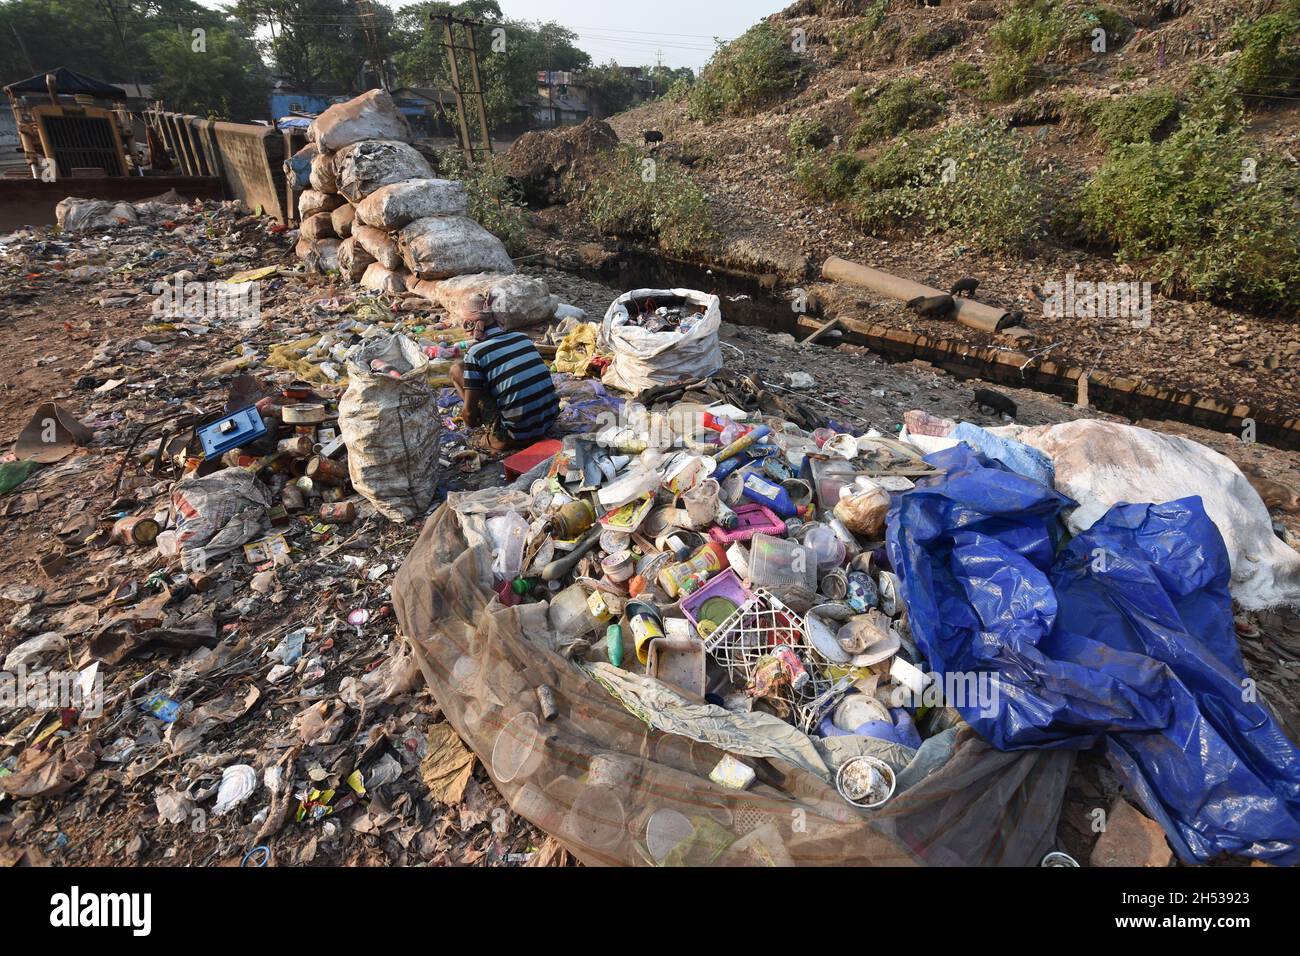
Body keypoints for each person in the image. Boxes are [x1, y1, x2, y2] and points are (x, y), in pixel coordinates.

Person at [449, 292, 559, 451]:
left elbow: (469, 415)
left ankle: (496, 437)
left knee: (456, 370)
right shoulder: (523, 338)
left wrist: (471, 419)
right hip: (549, 421)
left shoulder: (476, 353)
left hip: (517, 435)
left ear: (470, 324)